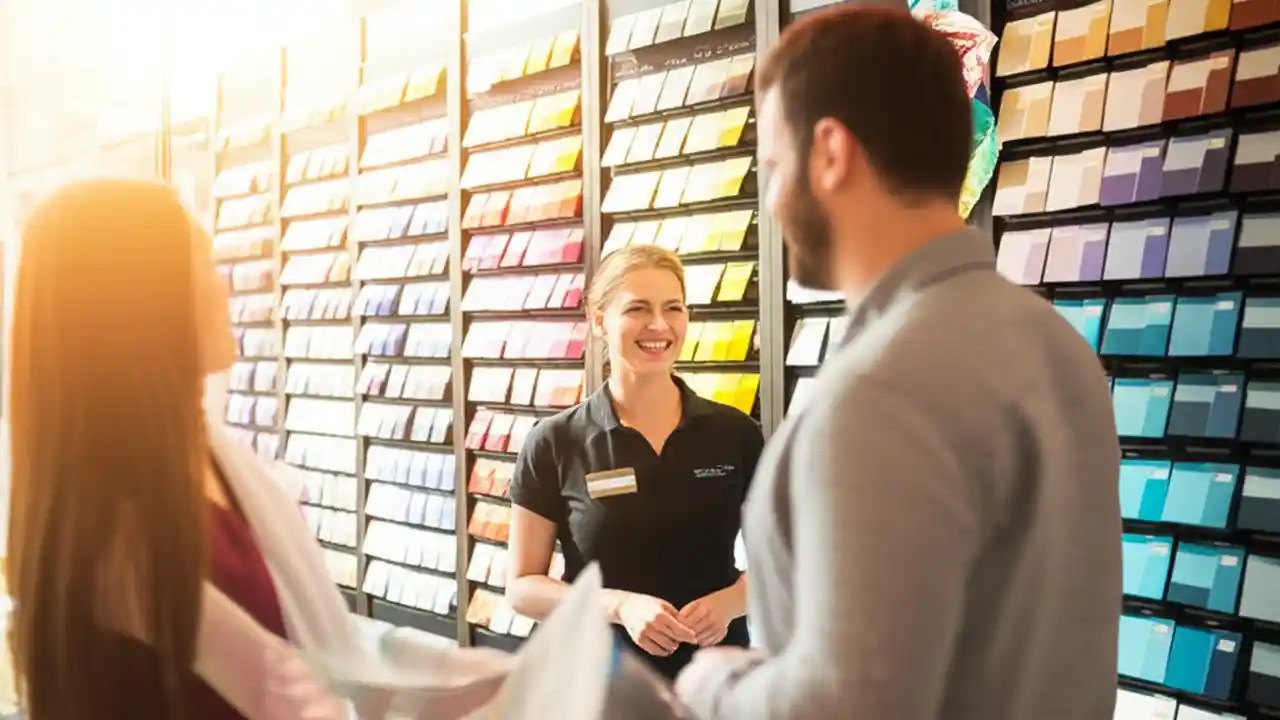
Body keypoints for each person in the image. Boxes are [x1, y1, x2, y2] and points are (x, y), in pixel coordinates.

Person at [675, 7, 1122, 720]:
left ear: (829, 153)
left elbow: (851, 703)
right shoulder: (1056, 346)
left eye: (773, 165)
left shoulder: (883, 388)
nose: (772, 198)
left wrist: (713, 686)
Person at [4, 180, 356, 719]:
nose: (225, 287)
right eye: (203, 262)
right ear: (140, 302)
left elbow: (337, 660)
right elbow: (290, 695)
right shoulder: (110, 536)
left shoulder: (219, 463)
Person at [506, 244, 764, 680]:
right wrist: (619, 606)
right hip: (599, 680)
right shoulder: (556, 441)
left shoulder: (735, 434)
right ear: (598, 321)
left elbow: (785, 559)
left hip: (715, 680)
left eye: (673, 308)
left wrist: (732, 602)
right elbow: (522, 588)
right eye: (637, 309)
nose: (659, 325)